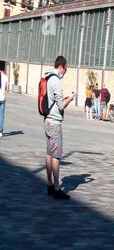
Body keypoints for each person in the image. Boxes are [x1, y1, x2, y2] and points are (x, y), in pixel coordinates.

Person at [42, 56, 74, 199]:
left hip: (47, 120)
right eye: (66, 68)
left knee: (49, 153)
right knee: (56, 156)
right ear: (61, 66)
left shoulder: (48, 78)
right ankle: (56, 188)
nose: (65, 71)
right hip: (55, 122)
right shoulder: (56, 81)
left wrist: (63, 98)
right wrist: (70, 98)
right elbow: (61, 105)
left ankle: (49, 184)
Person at [0, 60, 7, 138]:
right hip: (2, 98)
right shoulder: (5, 77)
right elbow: (6, 88)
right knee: (1, 115)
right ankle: (0, 132)